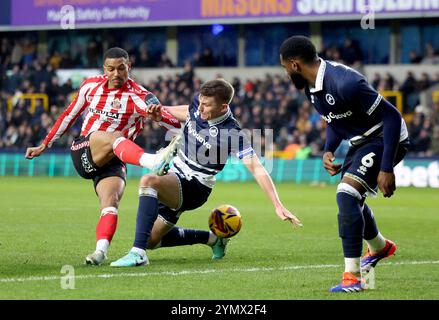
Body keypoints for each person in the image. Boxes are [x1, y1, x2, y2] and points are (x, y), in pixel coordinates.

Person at [109, 78, 303, 267]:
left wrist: (278, 204)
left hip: (196, 186)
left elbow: (256, 167)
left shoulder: (232, 133)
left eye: (207, 105)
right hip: (174, 174)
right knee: (151, 240)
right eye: (200, 102)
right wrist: (163, 110)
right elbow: (189, 111)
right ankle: (213, 240)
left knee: (148, 181)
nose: (200, 108)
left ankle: (137, 254)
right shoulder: (199, 105)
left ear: (223, 107)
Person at [25, 47, 181, 266]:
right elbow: (69, 115)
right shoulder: (90, 86)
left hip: (114, 159)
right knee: (112, 136)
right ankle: (153, 161)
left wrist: (161, 118)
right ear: (104, 69)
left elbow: (168, 119)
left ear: (129, 67)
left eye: (121, 69)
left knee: (110, 202)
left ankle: (100, 252)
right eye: (111, 69)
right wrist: (44, 144)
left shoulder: (138, 95)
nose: (116, 74)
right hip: (85, 149)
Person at [279, 36, 409, 293]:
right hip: (360, 142)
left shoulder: (345, 82)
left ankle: (353, 277)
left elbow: (392, 116)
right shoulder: (311, 87)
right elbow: (335, 121)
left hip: (385, 137)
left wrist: (386, 167)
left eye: (284, 68)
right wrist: (328, 149)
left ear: (294, 64)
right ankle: (380, 247)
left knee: (347, 194)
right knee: (352, 199)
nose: (285, 74)